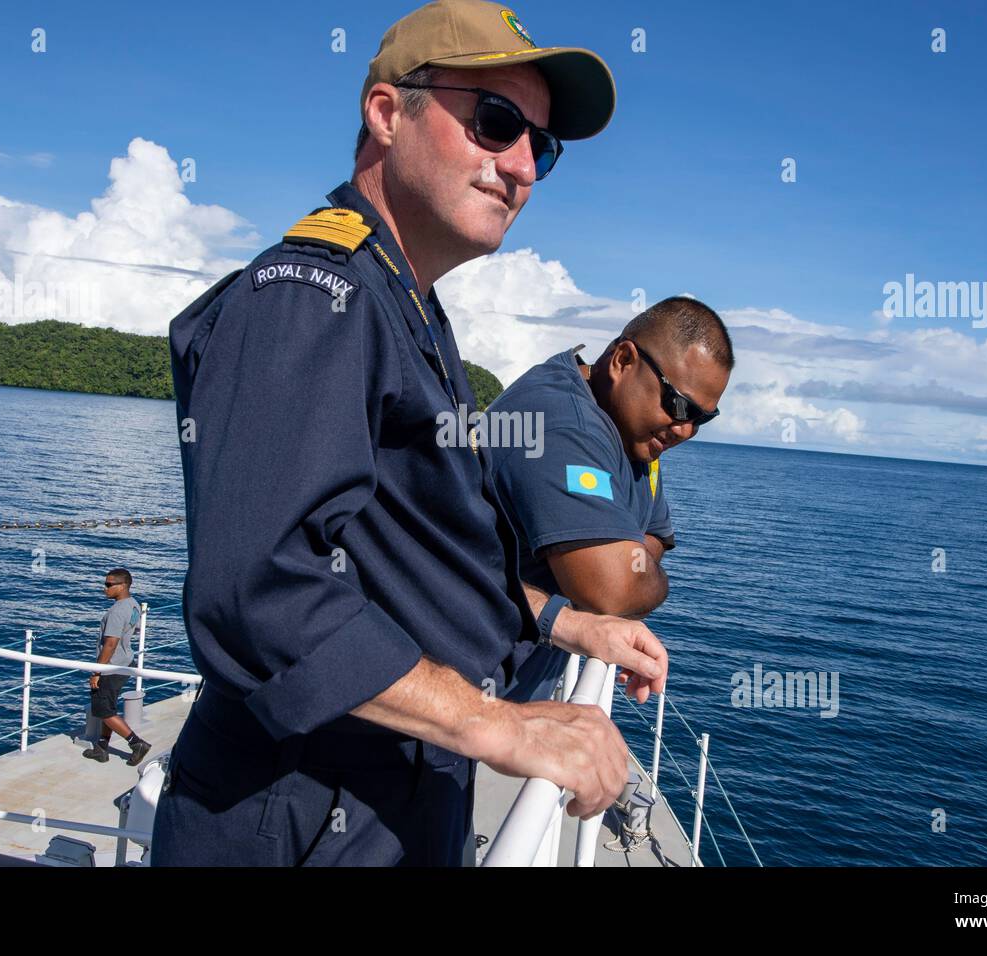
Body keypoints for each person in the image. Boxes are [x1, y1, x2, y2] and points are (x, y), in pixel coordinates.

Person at [153, 0, 669, 867]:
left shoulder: (407, 307)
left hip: (393, 781)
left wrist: (563, 626)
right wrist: (496, 725)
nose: (521, 168)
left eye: (539, 146)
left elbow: (415, 567)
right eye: (496, 122)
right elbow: (254, 593)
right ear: (388, 114)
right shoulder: (312, 297)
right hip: (298, 806)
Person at [487, 297, 734, 702]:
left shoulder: (638, 440)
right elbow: (612, 590)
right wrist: (632, 570)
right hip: (444, 702)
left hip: (507, 704)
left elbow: (653, 540)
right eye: (679, 405)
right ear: (622, 360)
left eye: (701, 419)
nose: (685, 430)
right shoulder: (560, 424)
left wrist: (629, 563)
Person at [85, 568, 152, 765]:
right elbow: (133, 629)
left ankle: (136, 743)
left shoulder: (116, 611)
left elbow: (111, 644)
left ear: (122, 586)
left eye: (108, 585)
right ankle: (102, 747)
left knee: (103, 710)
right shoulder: (133, 605)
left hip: (111, 667)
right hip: (125, 663)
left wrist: (97, 672)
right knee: (110, 707)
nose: (104, 588)